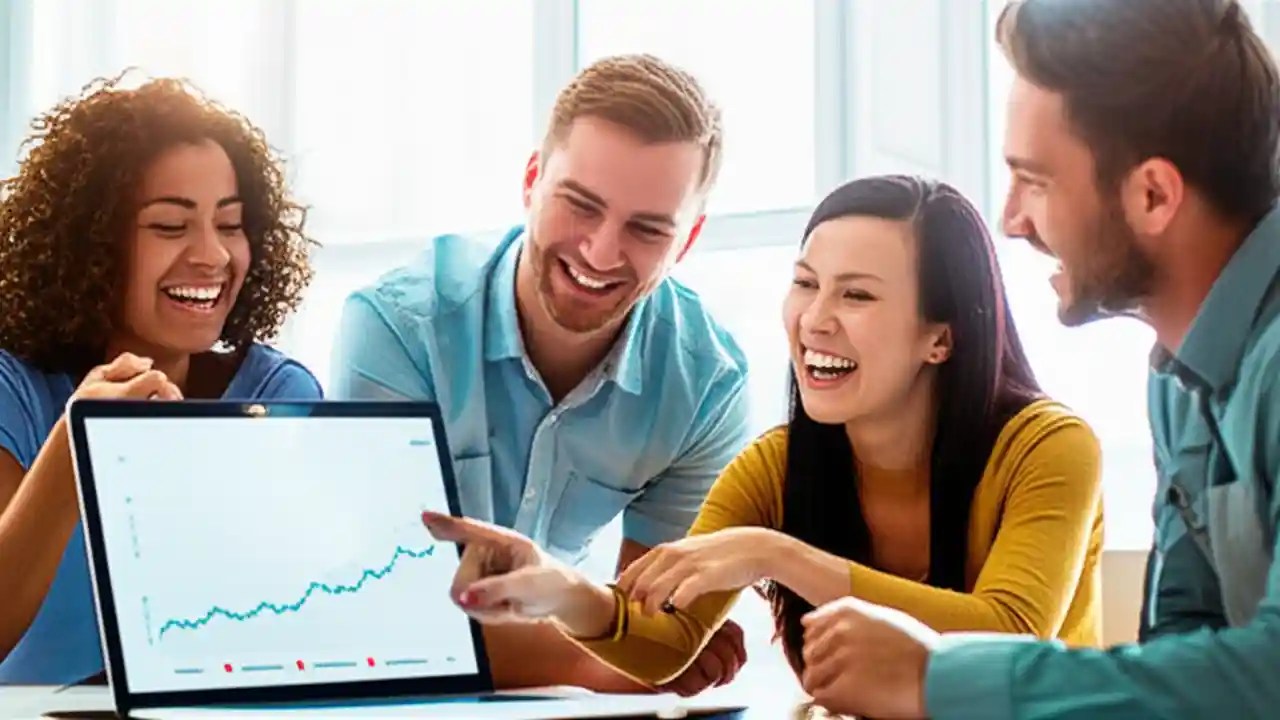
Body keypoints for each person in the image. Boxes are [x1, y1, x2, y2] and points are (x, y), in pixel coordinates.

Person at [743, 1, 1280, 718]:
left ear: (1153, 194)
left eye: (1036, 181)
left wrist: (938, 678)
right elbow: (1184, 654)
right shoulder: (1177, 382)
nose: (1011, 219)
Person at [419, 175, 1106, 689]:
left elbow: (1012, 635)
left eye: (857, 295)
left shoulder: (1048, 448)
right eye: (807, 283)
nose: (815, 319)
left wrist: (778, 556)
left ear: (941, 337)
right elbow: (668, 643)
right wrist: (563, 591)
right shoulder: (778, 465)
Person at [328, 54, 751, 694]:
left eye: (646, 229)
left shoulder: (709, 390)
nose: (602, 252)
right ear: (532, 181)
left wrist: (643, 647)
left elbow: (658, 629)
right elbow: (389, 622)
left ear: (686, 240)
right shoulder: (395, 329)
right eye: (580, 205)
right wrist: (606, 656)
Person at [0, 75, 321, 684]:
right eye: (170, 227)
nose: (214, 256)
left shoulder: (277, 396)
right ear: (90, 245)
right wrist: (71, 452)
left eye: (230, 225)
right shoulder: (13, 390)